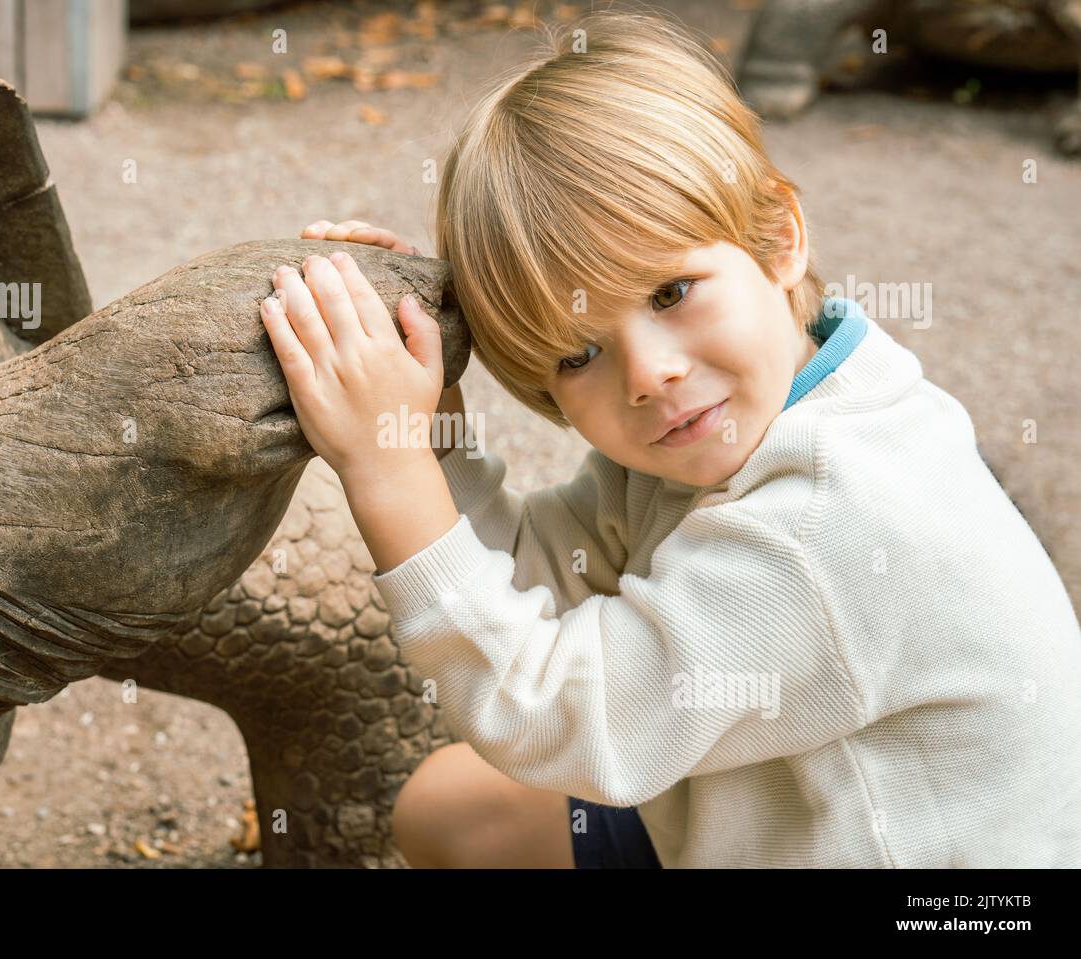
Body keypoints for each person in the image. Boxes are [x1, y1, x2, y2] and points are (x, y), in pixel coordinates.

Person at [260, 10, 1081, 868]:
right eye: (580, 352)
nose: (648, 374)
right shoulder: (762, 409)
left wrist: (387, 472)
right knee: (447, 811)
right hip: (774, 822)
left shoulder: (824, 524)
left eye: (669, 292)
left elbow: (562, 719)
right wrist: (422, 418)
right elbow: (549, 566)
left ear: (778, 239)